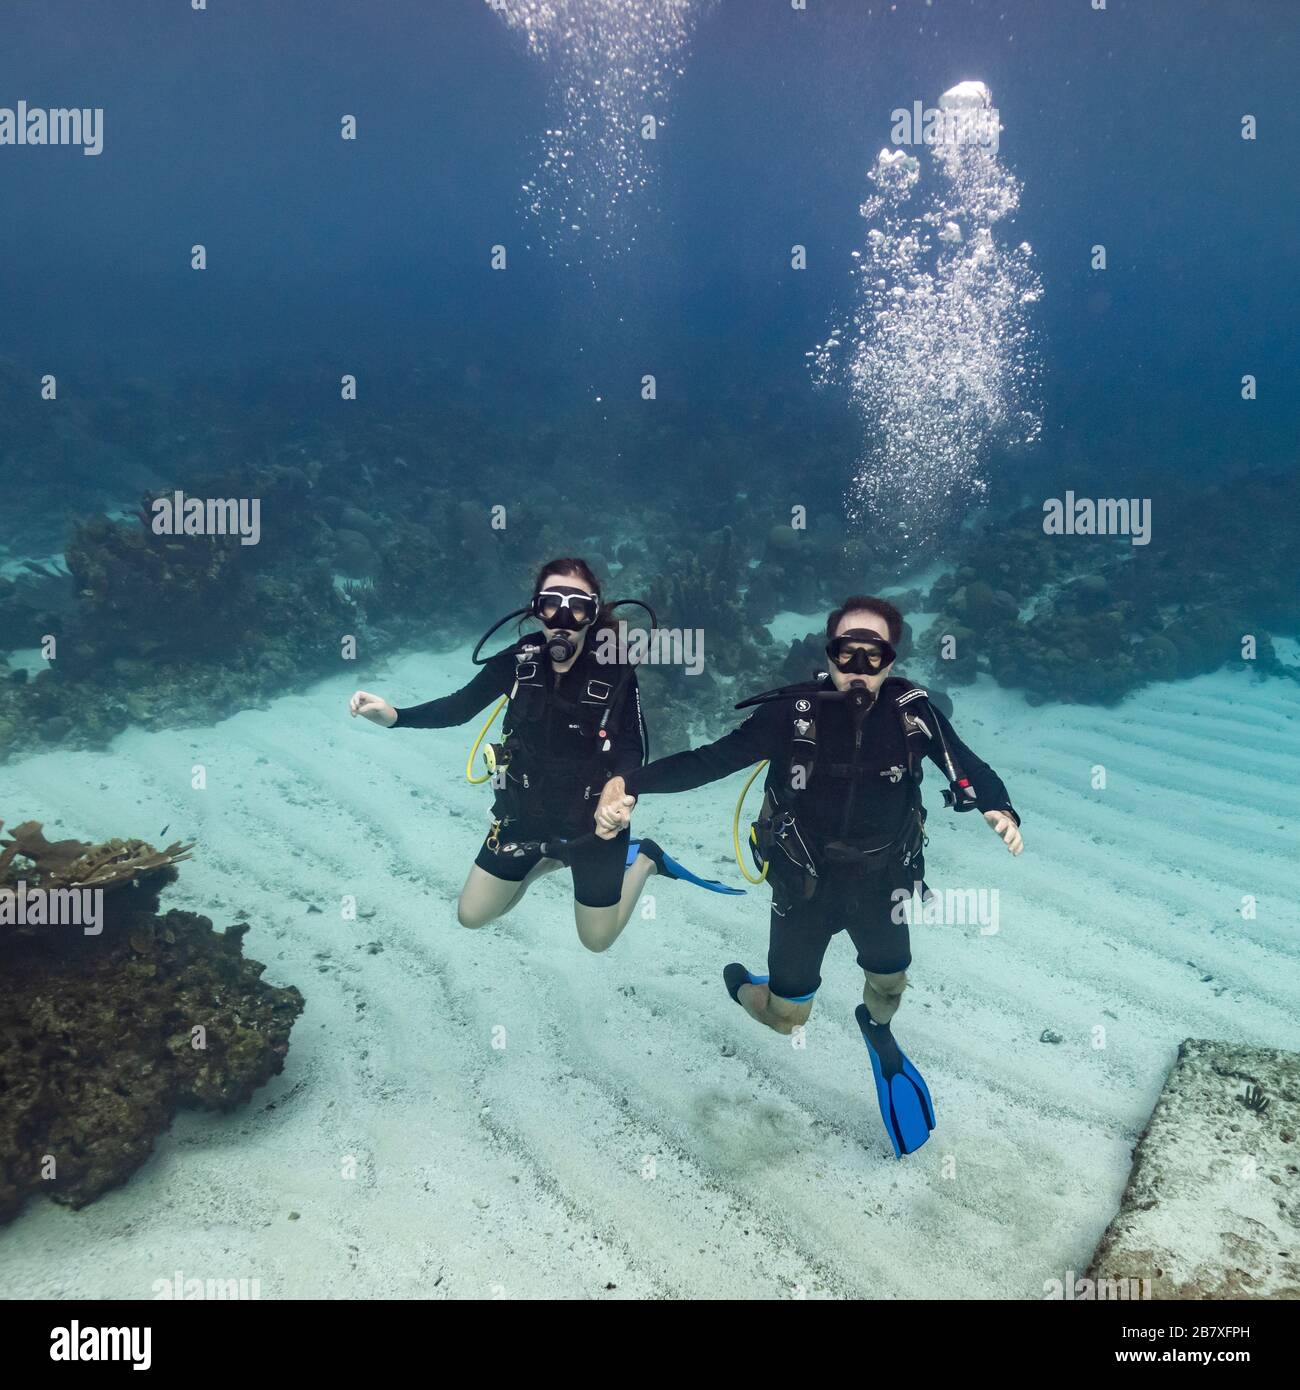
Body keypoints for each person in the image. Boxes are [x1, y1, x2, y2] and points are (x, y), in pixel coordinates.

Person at [595, 594, 1023, 1156]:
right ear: (830, 654)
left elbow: (968, 766)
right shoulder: (788, 715)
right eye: (849, 653)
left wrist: (999, 806)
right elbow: (709, 761)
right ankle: (746, 987)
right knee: (786, 1020)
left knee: (891, 985)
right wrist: (630, 783)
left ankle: (876, 1029)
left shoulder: (916, 715)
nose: (860, 669)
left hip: (883, 885)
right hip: (805, 889)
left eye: (876, 654)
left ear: (892, 660)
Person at [349, 556, 736, 953]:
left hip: (594, 823)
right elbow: (459, 707)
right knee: (472, 916)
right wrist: (393, 716)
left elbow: (632, 745)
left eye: (578, 606)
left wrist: (619, 789)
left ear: (592, 612)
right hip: (524, 815)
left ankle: (646, 859)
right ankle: (548, 858)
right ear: (536, 609)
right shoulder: (520, 660)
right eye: (552, 603)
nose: (564, 618)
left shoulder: (615, 665)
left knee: (597, 941)